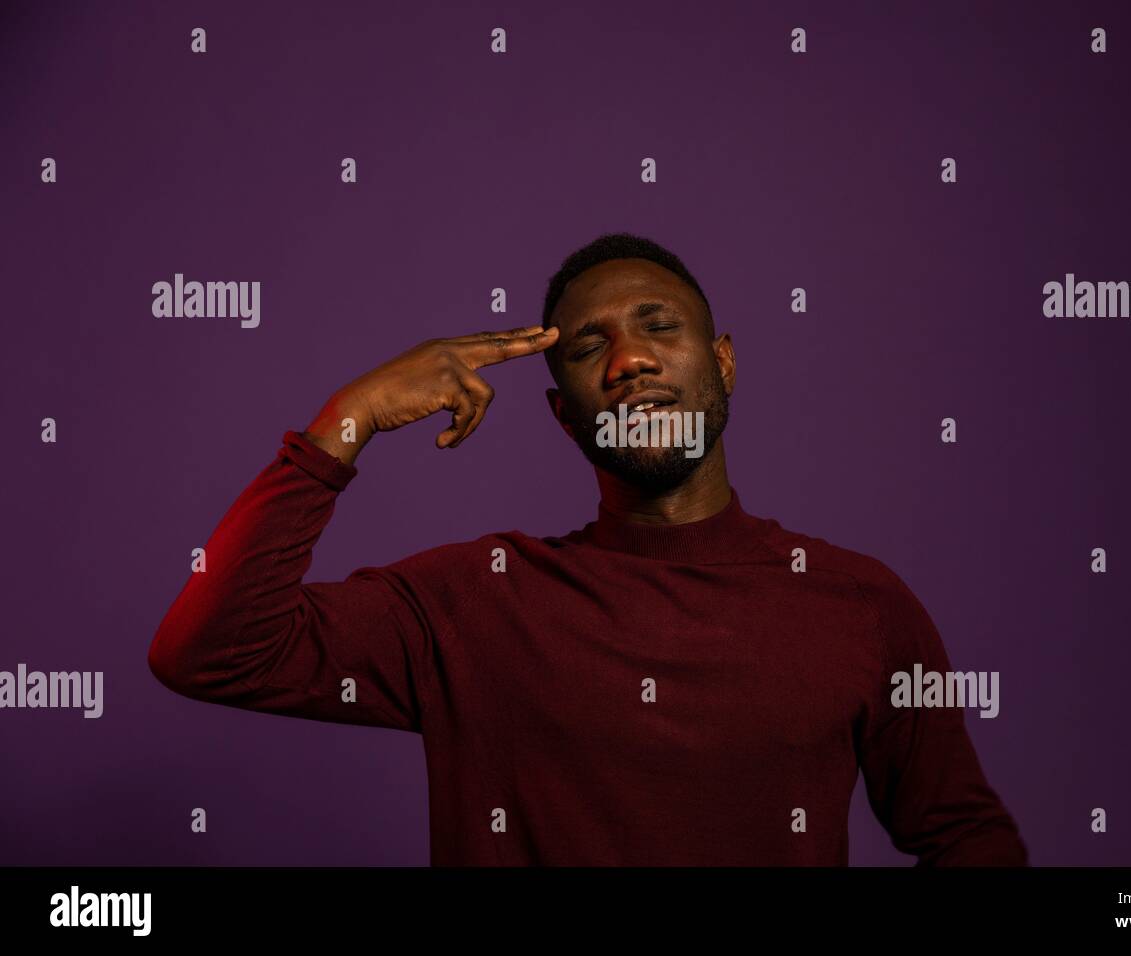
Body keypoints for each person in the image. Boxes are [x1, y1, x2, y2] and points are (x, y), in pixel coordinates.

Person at [148, 232, 1029, 866]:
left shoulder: (860, 605)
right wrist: (350, 415)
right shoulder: (475, 601)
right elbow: (210, 651)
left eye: (660, 327)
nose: (632, 361)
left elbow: (963, 836)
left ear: (722, 362)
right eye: (588, 348)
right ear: (563, 412)